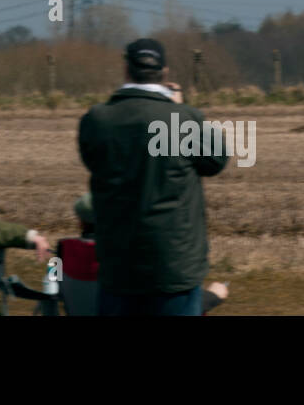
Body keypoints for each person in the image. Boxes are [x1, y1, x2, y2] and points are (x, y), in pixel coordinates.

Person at [78, 38, 228, 315]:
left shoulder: (97, 120)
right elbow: (216, 160)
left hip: (119, 265)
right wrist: (180, 108)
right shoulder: (181, 119)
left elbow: (92, 161)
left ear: (126, 70)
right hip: (174, 265)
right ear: (165, 73)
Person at [63, 191, 228, 314]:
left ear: (80, 223)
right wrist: (211, 297)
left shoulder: (64, 254)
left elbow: (54, 289)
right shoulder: (132, 262)